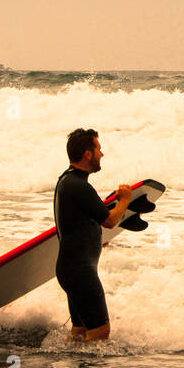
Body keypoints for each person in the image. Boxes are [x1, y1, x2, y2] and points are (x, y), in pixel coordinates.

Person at [53, 128, 132, 341]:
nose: (101, 154)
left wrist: (93, 239)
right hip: (80, 272)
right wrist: (125, 200)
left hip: (71, 269)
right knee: (99, 333)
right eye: (98, 148)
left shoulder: (67, 181)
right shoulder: (79, 186)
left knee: (80, 332)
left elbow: (74, 220)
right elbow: (109, 220)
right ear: (87, 154)